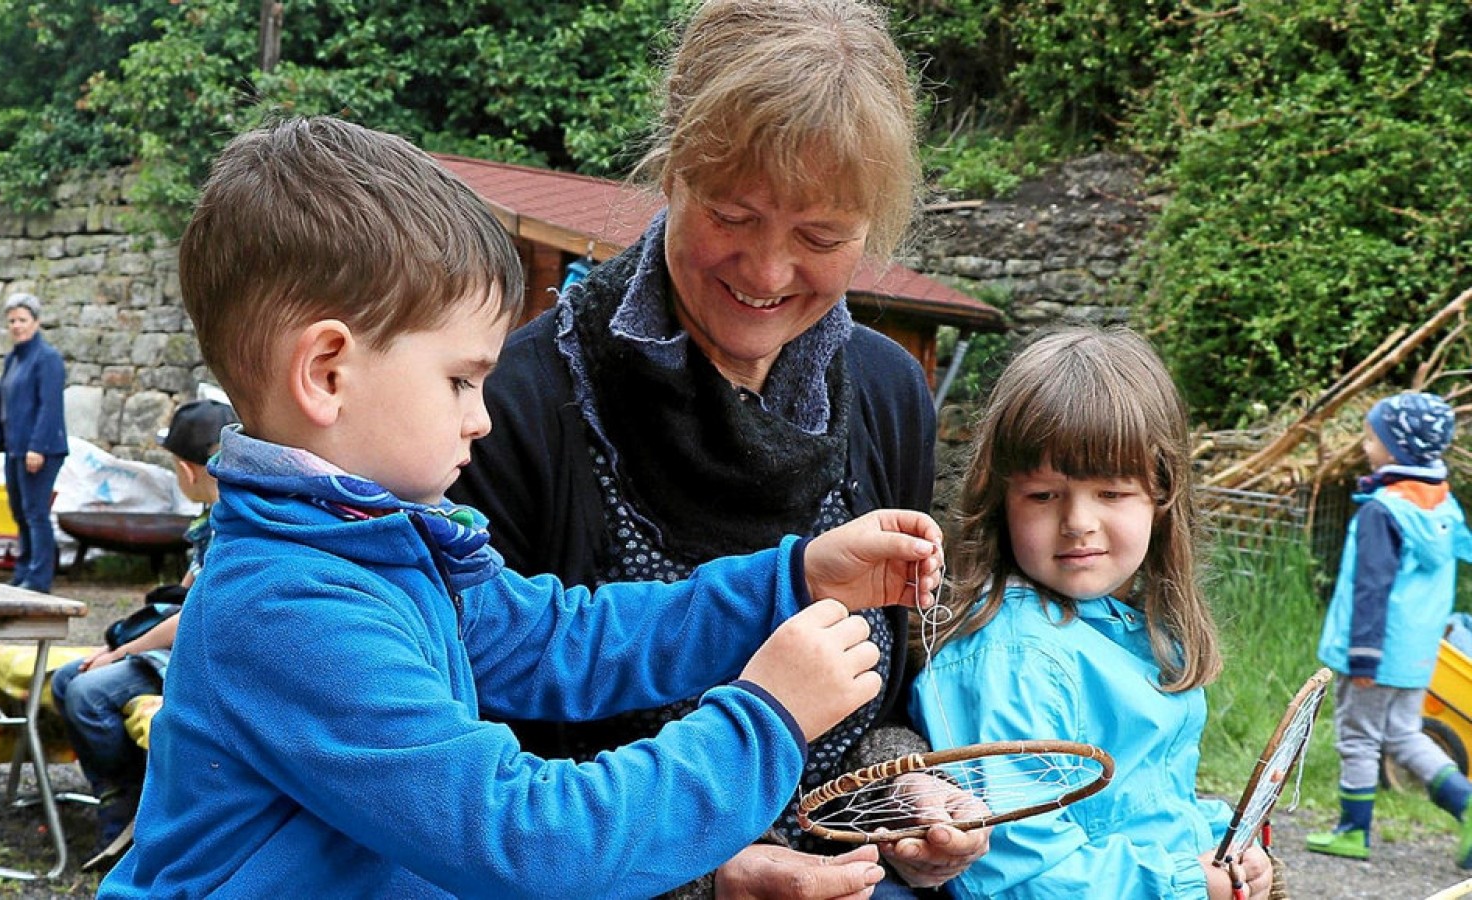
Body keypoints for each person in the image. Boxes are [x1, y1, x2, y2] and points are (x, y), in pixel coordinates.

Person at [98, 116, 947, 898]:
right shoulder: (293, 610)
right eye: (460, 380)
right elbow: (529, 841)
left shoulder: (388, 550)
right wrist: (765, 721)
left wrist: (790, 581)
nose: (483, 417)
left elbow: (568, 639)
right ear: (327, 373)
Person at [449, 1, 988, 894]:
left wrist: (906, 795)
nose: (767, 272)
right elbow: (474, 778)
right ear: (672, 171)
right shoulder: (507, 409)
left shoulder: (891, 395)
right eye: (733, 216)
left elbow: (883, 702)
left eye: (821, 236)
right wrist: (707, 878)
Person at [907, 328, 1274, 899]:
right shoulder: (1014, 657)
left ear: (1161, 494)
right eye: (1043, 495)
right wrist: (1184, 885)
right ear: (1001, 501)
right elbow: (1016, 875)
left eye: (1111, 493)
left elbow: (1147, 804)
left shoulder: (1131, 627)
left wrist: (1223, 847)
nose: (1078, 522)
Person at [49, 398, 238, 866]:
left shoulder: (235, 527)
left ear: (185, 470)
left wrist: (120, 654)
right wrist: (119, 641)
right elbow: (181, 596)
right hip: (183, 640)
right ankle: (123, 794)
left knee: (87, 694)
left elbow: (192, 617)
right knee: (66, 678)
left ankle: (132, 806)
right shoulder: (209, 521)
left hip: (205, 655)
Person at [1306, 392, 1472, 865]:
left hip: (1375, 652)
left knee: (1358, 737)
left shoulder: (1383, 511)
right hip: (1417, 652)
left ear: (1398, 448)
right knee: (1402, 734)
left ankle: (1352, 830)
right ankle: (1466, 803)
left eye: (1372, 438)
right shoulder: (1442, 506)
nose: (1365, 446)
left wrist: (1362, 656)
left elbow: (1371, 589)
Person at [0, 292, 67, 592]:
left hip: (41, 449)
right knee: (20, 512)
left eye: (22, 319)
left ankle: (39, 578)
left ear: (36, 322)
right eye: (12, 321)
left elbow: (49, 407)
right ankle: (23, 571)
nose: (17, 326)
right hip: (15, 448)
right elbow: (10, 398)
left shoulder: (47, 359)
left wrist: (38, 447)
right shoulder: (14, 359)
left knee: (36, 513)